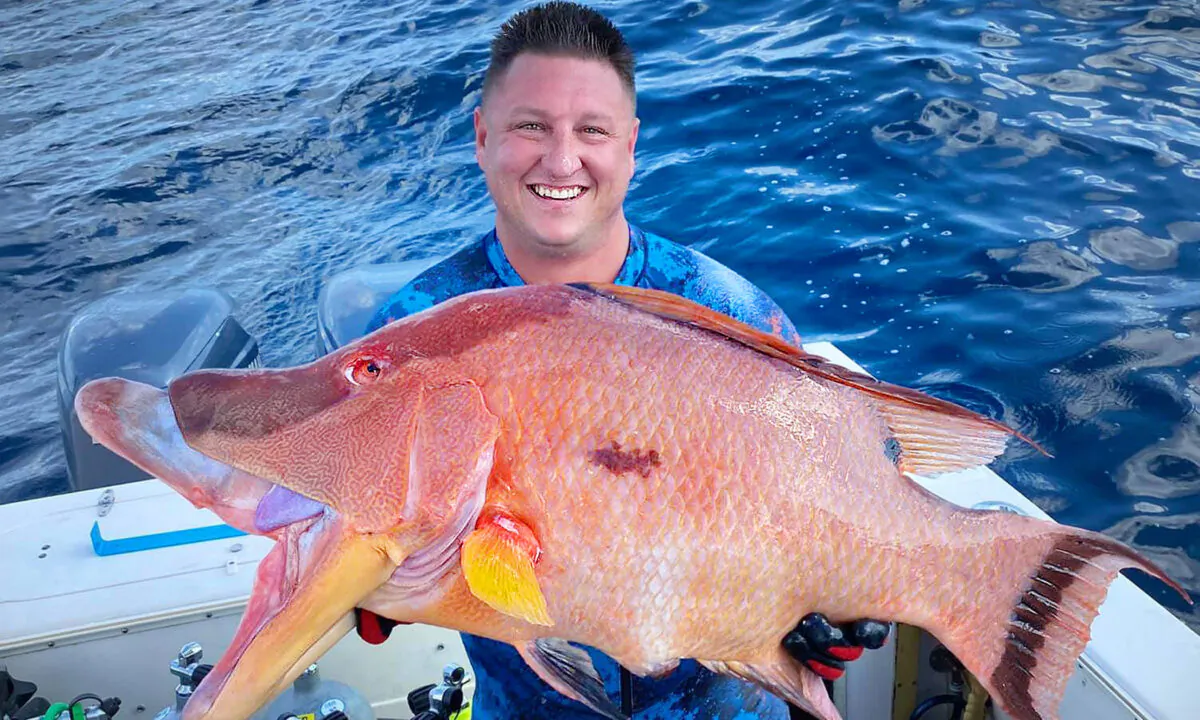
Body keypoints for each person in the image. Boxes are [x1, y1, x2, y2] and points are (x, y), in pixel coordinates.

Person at [350, 3, 889, 718]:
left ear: (631, 146)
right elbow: (367, 538)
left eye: (592, 131)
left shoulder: (730, 313)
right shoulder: (412, 333)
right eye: (530, 126)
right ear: (482, 136)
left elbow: (837, 497)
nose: (562, 159)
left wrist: (836, 616)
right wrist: (367, 588)